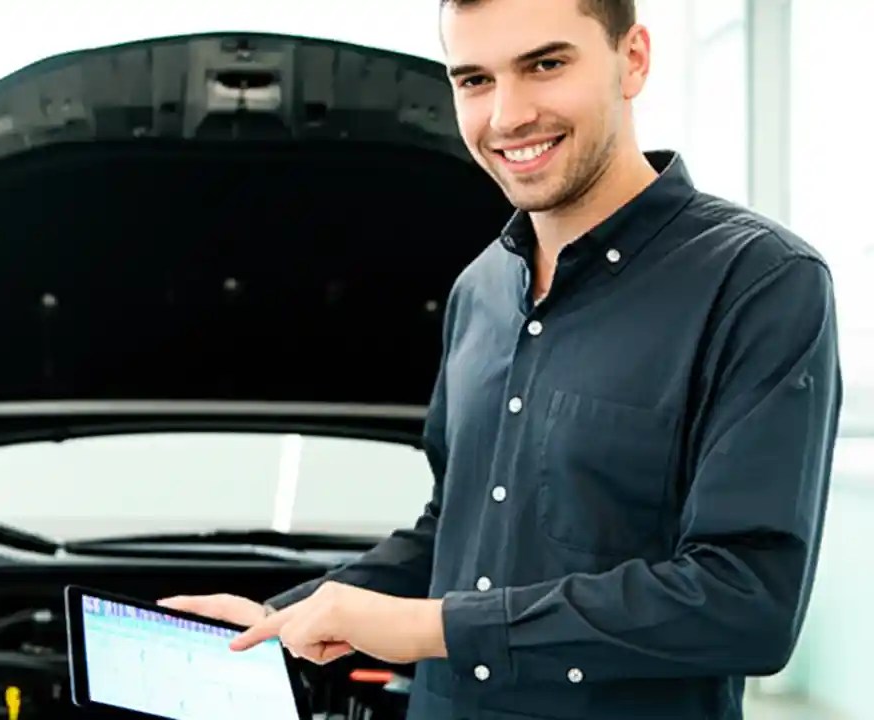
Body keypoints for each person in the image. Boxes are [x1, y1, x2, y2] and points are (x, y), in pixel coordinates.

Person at [159, 0, 843, 717]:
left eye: (545, 65)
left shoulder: (760, 282)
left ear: (633, 59)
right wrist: (280, 616)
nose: (508, 116)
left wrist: (437, 628)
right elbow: (451, 535)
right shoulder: (479, 289)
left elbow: (745, 602)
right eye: (474, 80)